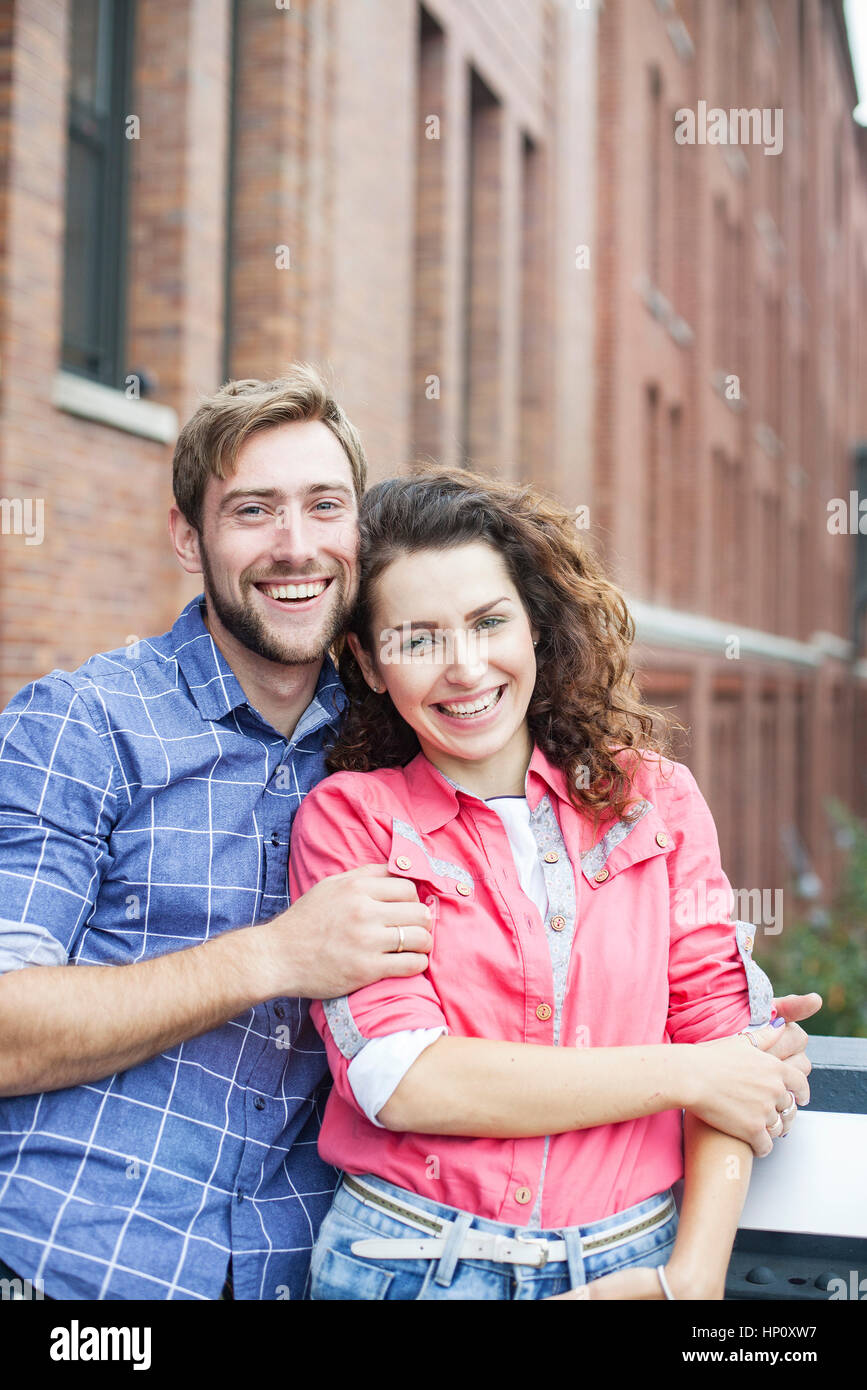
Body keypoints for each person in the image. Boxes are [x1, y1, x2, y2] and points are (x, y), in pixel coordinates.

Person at [289, 466, 820, 1301]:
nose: (463, 667)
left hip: (634, 1265)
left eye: (488, 621)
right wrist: (689, 1072)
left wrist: (687, 1281)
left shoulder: (656, 799)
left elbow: (731, 1049)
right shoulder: (352, 821)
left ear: (534, 625)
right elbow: (400, 1077)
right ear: (366, 659)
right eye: (418, 638)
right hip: (409, 1267)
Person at [0, 367, 435, 1300]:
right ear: (187, 536)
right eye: (252, 511)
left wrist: (722, 1005)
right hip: (69, 1264)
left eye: (325, 506)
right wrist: (274, 957)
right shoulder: (80, 725)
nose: (296, 546)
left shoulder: (398, 735)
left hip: (298, 1270)